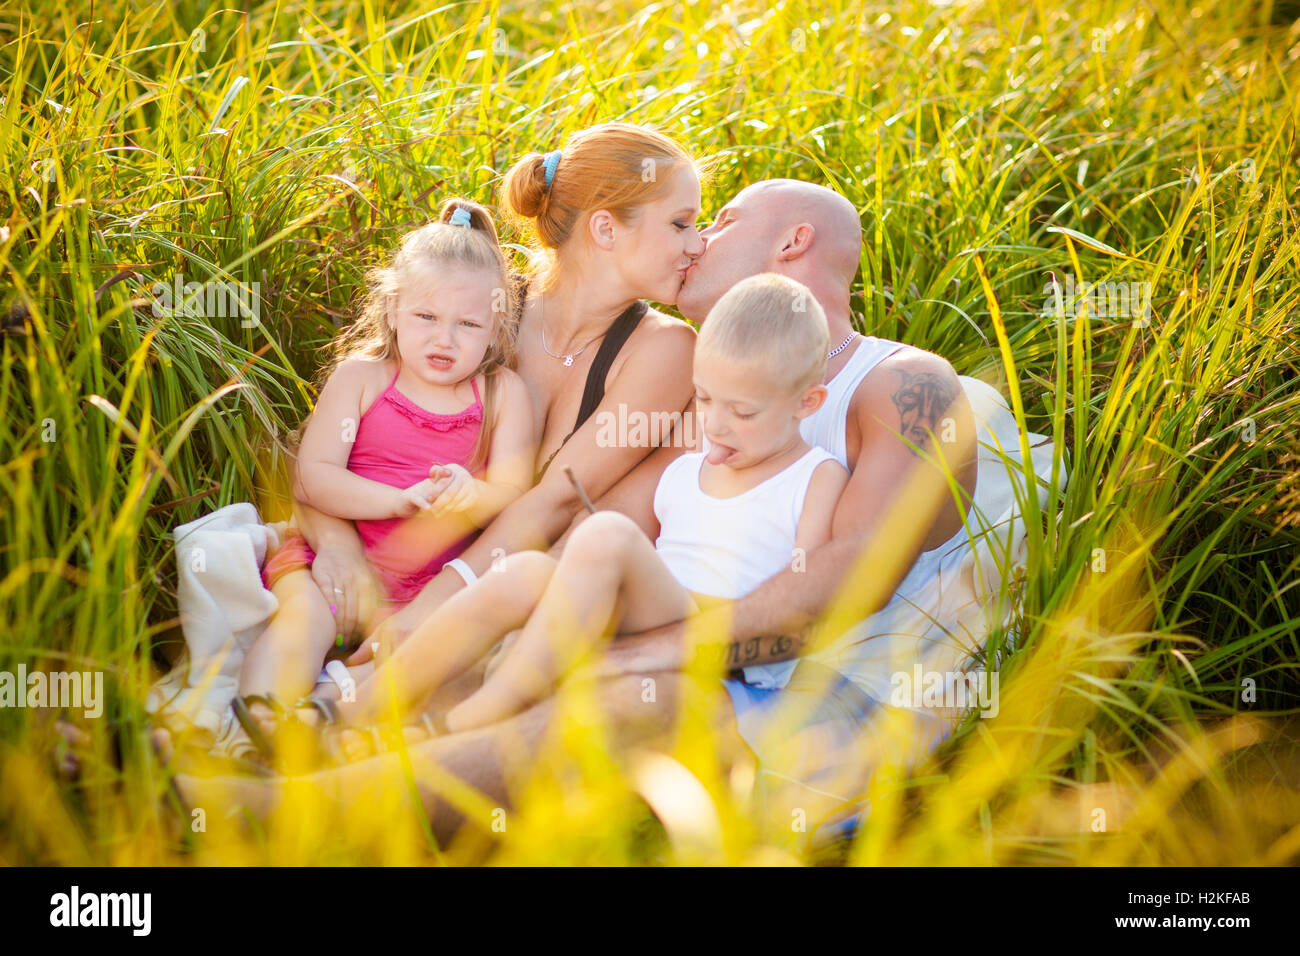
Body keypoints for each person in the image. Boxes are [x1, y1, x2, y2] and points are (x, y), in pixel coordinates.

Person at [182, 178, 1059, 845]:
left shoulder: (904, 382)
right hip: (674, 637)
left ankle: (260, 819)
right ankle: (315, 736)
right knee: (528, 615)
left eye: (719, 223)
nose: (696, 240)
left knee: (635, 703)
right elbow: (601, 530)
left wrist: (619, 655)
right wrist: (432, 605)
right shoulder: (713, 409)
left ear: (793, 241)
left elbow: (837, 586)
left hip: (787, 699)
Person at [319, 274, 847, 736]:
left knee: (610, 533)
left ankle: (466, 722)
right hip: (642, 618)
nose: (717, 424)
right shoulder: (686, 468)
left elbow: (807, 602)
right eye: (705, 400)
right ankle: (355, 708)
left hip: (719, 654)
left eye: (744, 412)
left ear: (808, 403)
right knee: (526, 571)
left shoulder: (815, 476)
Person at [289, 124, 704, 670]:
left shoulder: (665, 349)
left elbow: (555, 499)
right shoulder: (478, 306)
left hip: (487, 599)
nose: (697, 244)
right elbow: (331, 453)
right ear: (605, 227)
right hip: (364, 565)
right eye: (680, 223)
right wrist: (339, 550)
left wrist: (429, 612)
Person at [232, 199, 534, 752]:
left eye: (468, 324)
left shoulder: (499, 394)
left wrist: (474, 493)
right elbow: (313, 478)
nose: (445, 339)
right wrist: (398, 501)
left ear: (495, 330)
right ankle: (259, 723)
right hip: (332, 562)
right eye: (426, 317)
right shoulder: (364, 379)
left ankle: (339, 730)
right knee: (304, 623)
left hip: (430, 585)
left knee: (445, 659)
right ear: (392, 310)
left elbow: (515, 490)